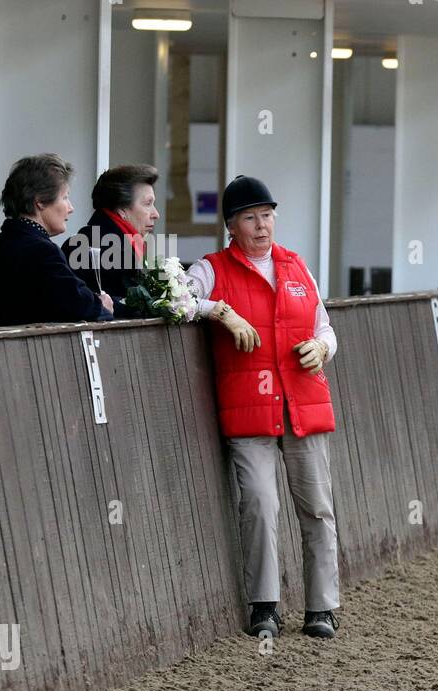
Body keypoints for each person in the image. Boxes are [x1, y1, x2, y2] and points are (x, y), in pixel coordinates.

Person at [184, 175, 341, 639]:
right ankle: (264, 604)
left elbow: (325, 326)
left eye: (267, 215)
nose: (262, 225)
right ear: (231, 225)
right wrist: (219, 310)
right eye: (250, 217)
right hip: (249, 407)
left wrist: (321, 348)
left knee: (317, 507)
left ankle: (322, 607)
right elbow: (178, 300)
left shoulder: (297, 267)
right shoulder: (212, 268)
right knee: (259, 501)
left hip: (302, 402)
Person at [0, 154, 114, 326]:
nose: (71, 208)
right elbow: (82, 306)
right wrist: (102, 306)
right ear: (40, 201)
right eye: (65, 197)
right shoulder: (41, 251)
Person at [62, 164, 160, 318]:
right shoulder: (93, 247)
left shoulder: (123, 244)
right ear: (121, 209)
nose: (156, 214)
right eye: (147, 204)